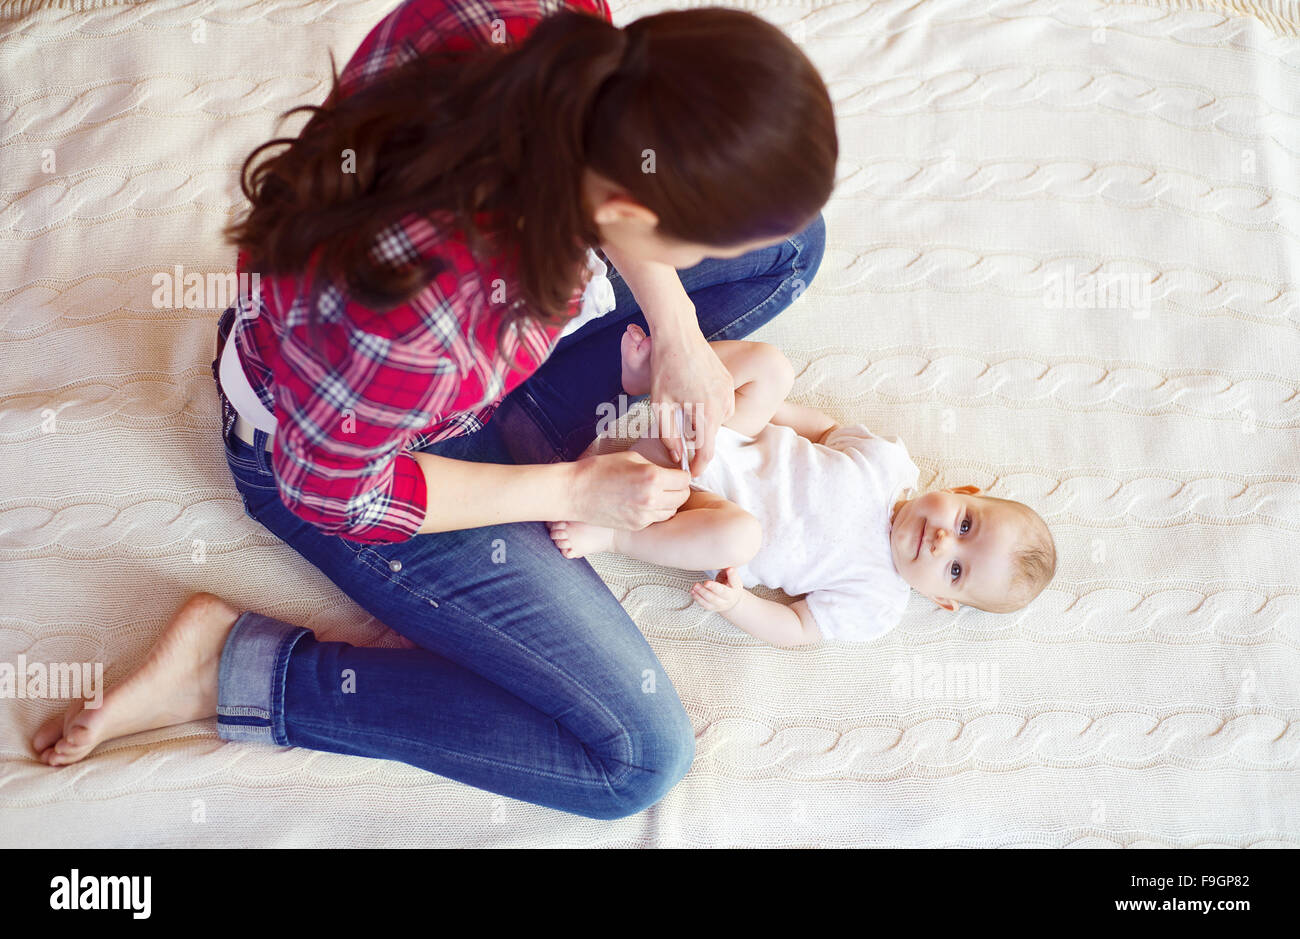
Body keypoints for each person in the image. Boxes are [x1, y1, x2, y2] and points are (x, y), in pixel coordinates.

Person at [31, 0, 835, 821]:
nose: (700, 264)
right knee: (638, 760)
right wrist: (572, 493)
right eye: (692, 246)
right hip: (341, 458)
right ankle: (228, 668)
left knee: (791, 240)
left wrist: (678, 331)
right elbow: (335, 493)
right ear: (625, 215)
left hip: (457, 365)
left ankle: (547, 421)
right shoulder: (422, 324)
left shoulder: (546, 23)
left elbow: (614, 156)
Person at [550, 326, 1057, 647]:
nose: (944, 541)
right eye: (965, 524)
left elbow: (798, 628)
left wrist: (740, 607)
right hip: (711, 434)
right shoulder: (889, 463)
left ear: (944, 600)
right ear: (964, 493)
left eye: (954, 569)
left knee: (740, 539)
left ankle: (615, 533)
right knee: (773, 367)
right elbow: (819, 430)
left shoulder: (877, 600)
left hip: (691, 502)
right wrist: (751, 403)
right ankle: (660, 375)